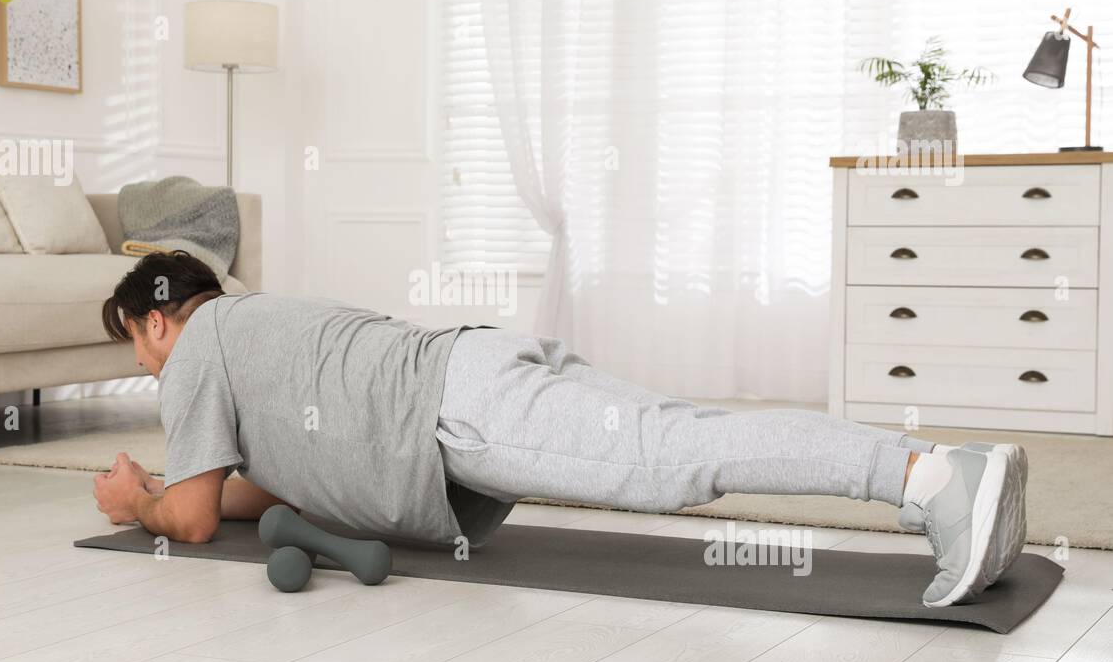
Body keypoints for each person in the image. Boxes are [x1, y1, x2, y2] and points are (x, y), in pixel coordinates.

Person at [92, 251, 1027, 609]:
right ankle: (947, 472)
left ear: (161, 316)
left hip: (461, 410)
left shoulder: (198, 351)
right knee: (682, 431)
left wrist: (138, 502)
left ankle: (932, 479)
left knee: (677, 456)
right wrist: (189, 491)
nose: (143, 365)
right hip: (473, 372)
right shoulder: (258, 326)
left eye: (138, 342)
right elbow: (268, 485)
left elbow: (201, 517)